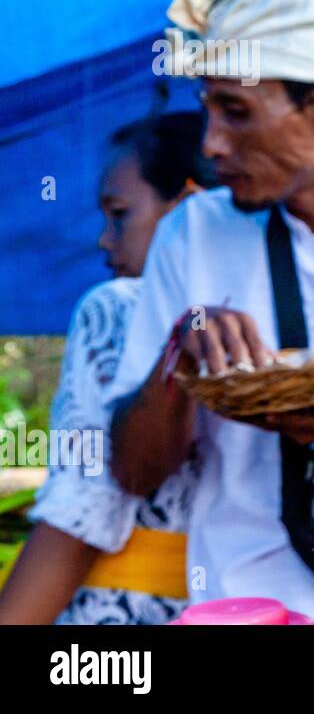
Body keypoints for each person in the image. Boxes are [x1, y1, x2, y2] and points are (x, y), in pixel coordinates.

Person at [106, 0, 314, 625]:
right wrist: (178, 362)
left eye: (237, 112)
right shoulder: (193, 234)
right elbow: (134, 474)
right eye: (207, 110)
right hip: (239, 611)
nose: (211, 144)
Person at [0, 113, 213, 624]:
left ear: (187, 210)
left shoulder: (118, 306)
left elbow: (78, 515)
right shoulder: (274, 317)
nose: (103, 241)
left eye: (119, 214)